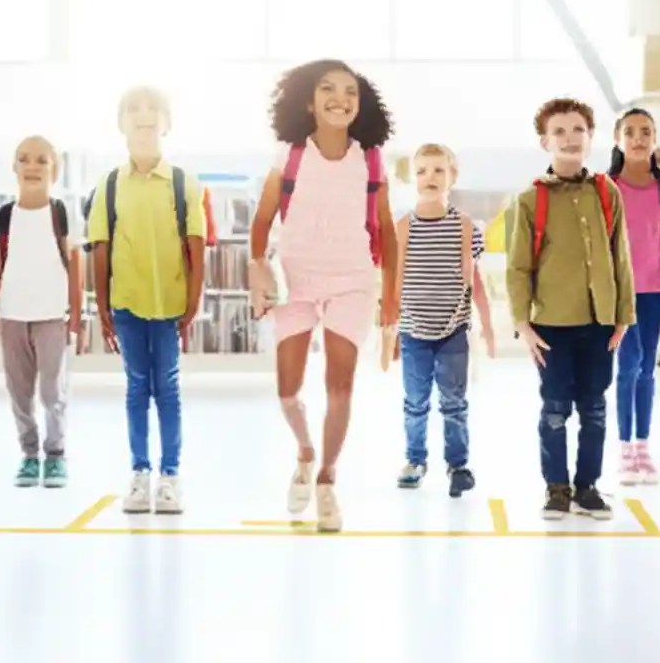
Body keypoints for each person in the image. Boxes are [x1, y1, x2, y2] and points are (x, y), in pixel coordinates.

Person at [249, 59, 400, 532]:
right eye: (328, 89)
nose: (340, 98)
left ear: (361, 102)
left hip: (353, 280)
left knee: (341, 387)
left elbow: (389, 232)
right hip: (294, 279)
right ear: (309, 101)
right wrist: (257, 267)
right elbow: (262, 220)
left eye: (350, 91)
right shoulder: (289, 156)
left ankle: (328, 480)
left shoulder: (371, 159)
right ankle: (305, 452)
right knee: (288, 392)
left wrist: (390, 299)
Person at [505, 97, 635, 521]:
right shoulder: (529, 198)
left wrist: (623, 316)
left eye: (578, 129)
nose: (569, 138)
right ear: (544, 141)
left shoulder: (605, 191)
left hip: (599, 322)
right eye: (558, 131)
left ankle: (588, 487)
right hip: (551, 325)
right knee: (556, 408)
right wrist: (522, 322)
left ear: (590, 136)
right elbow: (518, 265)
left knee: (595, 408)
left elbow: (621, 255)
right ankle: (556, 488)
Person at [87, 85, 206, 515]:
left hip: (171, 305)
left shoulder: (182, 182)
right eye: (133, 109)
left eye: (153, 108)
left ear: (167, 122)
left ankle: (170, 475)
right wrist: (101, 307)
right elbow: (100, 246)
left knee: (168, 388)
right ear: (121, 123)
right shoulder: (110, 185)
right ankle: (139, 474)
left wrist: (193, 300)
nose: (143, 115)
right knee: (137, 387)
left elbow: (196, 243)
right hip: (128, 304)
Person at [0, 135, 84, 488]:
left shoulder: (59, 213)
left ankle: (55, 456)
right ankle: (29, 454)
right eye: (24, 159)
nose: (32, 166)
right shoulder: (5, 215)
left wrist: (77, 314)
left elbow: (73, 262)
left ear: (56, 169)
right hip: (12, 317)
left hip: (52, 316)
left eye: (42, 159)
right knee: (19, 391)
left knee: (53, 392)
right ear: (14, 167)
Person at [393, 143, 493, 497]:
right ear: (412, 178)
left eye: (438, 170)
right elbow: (394, 281)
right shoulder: (402, 228)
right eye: (421, 171)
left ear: (453, 176)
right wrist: (387, 331)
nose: (429, 177)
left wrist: (489, 326)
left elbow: (474, 281)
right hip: (413, 331)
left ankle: (458, 464)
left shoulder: (467, 228)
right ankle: (415, 459)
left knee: (454, 401)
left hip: (453, 331)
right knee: (415, 400)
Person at [608, 108, 660, 485]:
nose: (638, 139)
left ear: (655, 139)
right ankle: (624, 449)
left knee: (646, 369)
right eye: (630, 132)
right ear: (617, 139)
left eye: (646, 132)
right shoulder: (605, 187)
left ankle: (643, 446)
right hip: (618, 295)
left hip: (655, 292)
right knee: (628, 365)